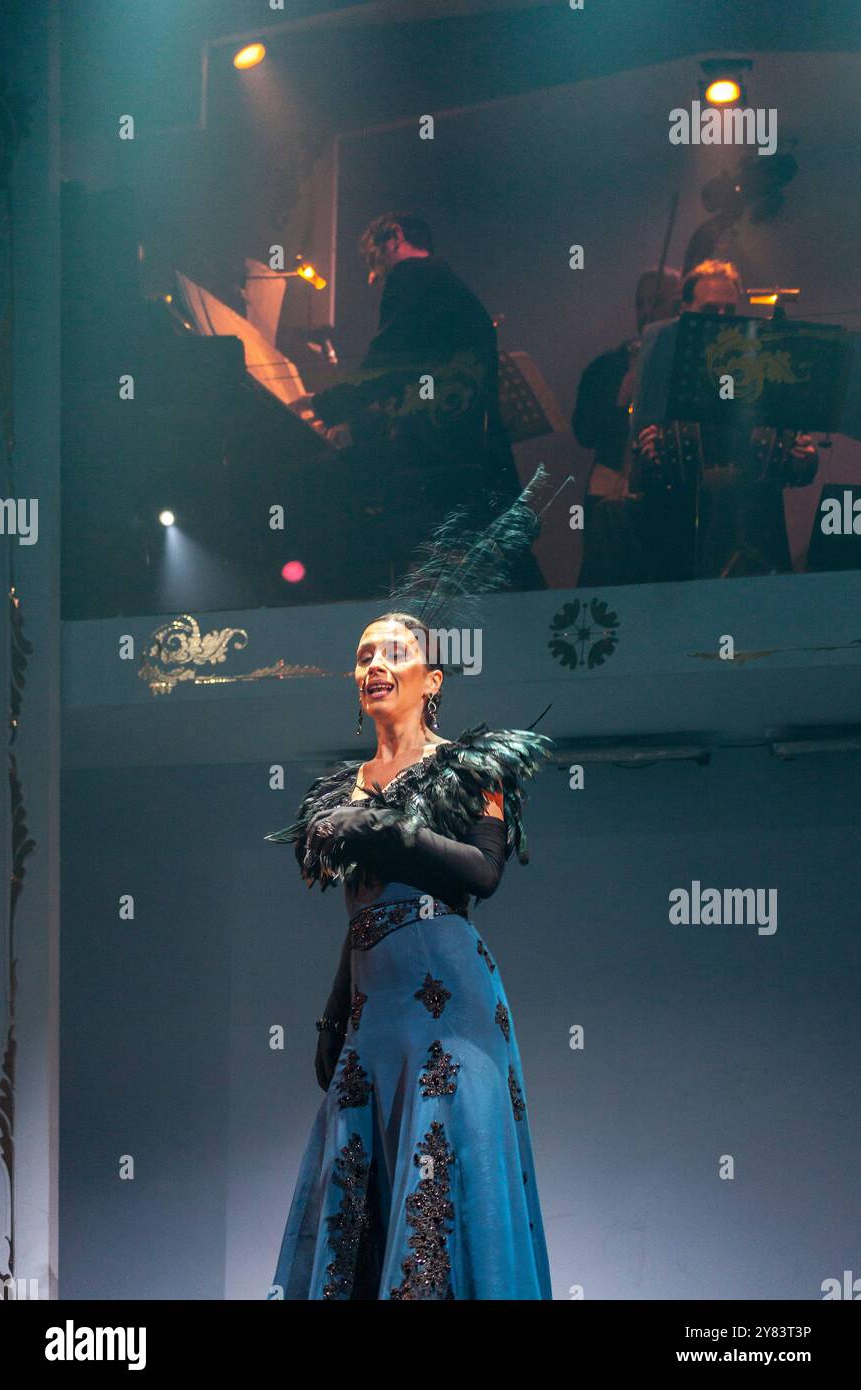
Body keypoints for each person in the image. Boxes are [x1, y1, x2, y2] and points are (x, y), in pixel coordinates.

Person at [265, 612, 553, 1300]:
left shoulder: (473, 767)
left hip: (450, 1002)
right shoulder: (342, 792)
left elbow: (483, 873)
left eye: (393, 652)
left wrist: (393, 830)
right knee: (363, 1182)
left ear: (432, 680)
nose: (374, 665)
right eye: (364, 654)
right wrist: (334, 1015)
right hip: (375, 1012)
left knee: (446, 1173)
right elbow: (362, 913)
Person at [293, 212, 542, 595]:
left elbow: (386, 365)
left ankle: (341, 608)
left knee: (317, 480)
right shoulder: (445, 284)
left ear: (394, 237)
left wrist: (321, 404)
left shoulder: (412, 276)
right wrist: (359, 425)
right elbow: (414, 381)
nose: (374, 277)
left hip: (434, 455)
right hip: (467, 453)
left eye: (374, 261)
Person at [634, 259, 819, 579]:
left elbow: (798, 470)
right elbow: (644, 473)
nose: (721, 320)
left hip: (758, 541)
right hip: (679, 544)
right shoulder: (662, 368)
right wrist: (651, 452)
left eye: (729, 312)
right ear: (685, 309)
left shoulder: (765, 372)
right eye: (709, 310)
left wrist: (803, 457)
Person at [572, 267, 681, 586]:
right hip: (609, 485)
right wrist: (619, 401)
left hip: (667, 495)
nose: (647, 312)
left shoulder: (684, 363)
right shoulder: (607, 366)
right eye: (641, 303)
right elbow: (584, 433)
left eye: (659, 302)